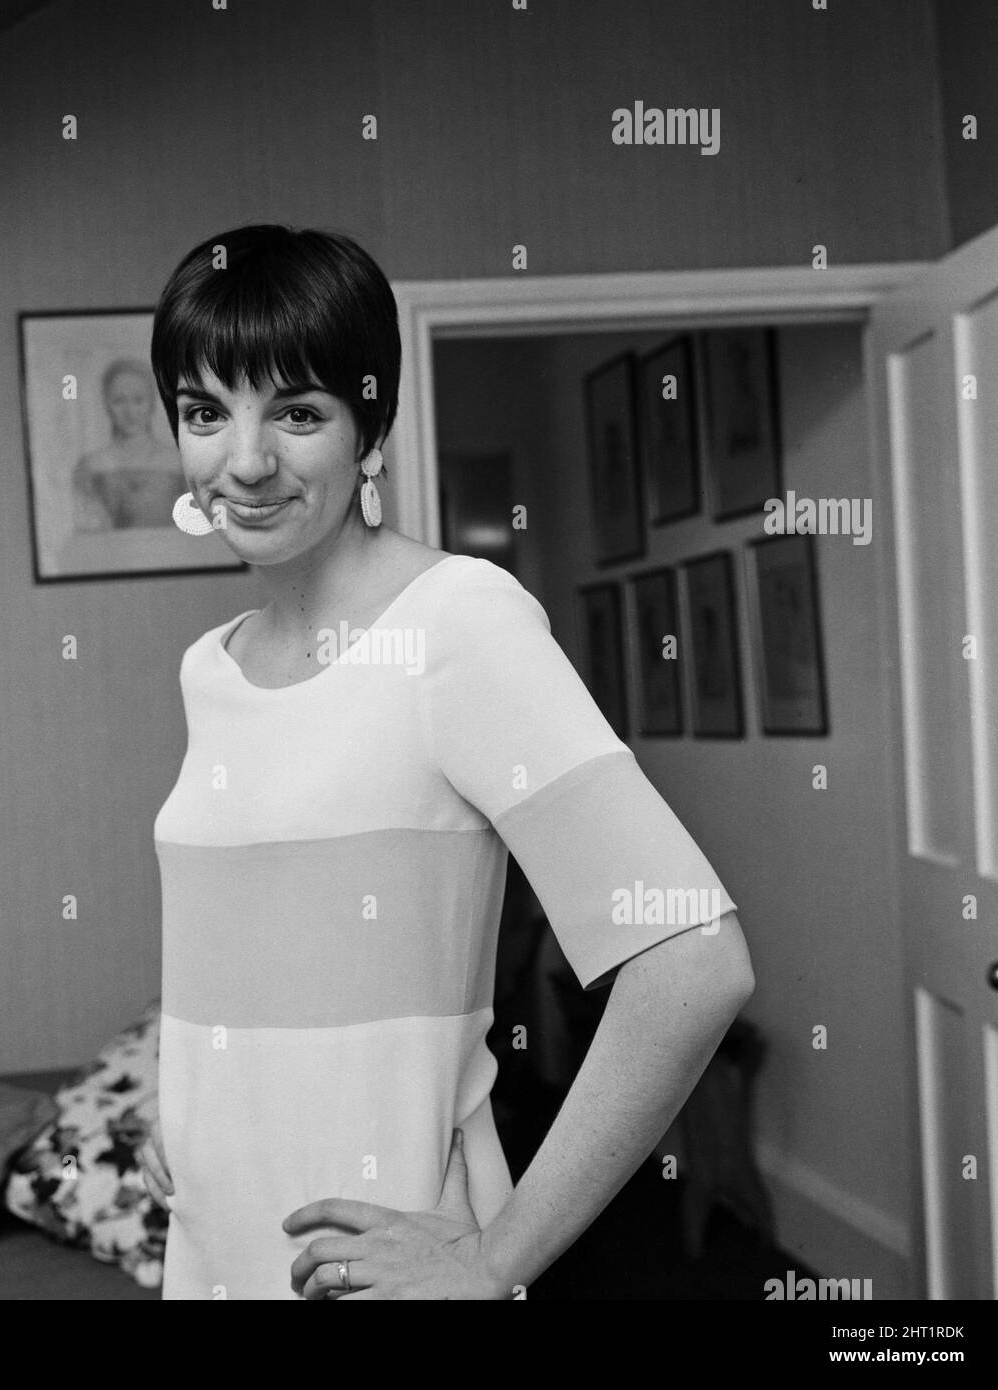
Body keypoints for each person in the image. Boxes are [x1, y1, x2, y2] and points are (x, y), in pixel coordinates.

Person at [143, 223, 754, 1300]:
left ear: (369, 430)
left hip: (374, 1270)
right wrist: (186, 1107)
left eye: (296, 411)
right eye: (206, 411)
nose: (244, 460)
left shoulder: (456, 623)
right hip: (213, 1249)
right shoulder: (214, 667)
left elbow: (695, 960)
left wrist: (492, 1255)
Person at [70, 357, 185, 531]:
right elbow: (85, 527)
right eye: (119, 401)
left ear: (152, 402)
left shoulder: (177, 462)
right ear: (107, 405)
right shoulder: (92, 466)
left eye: (138, 400)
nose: (129, 412)